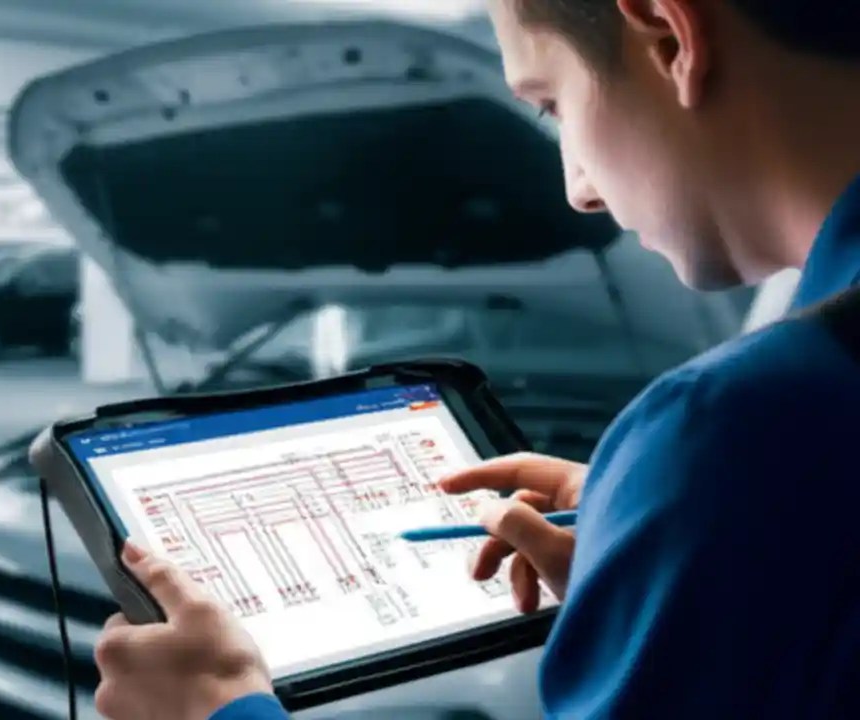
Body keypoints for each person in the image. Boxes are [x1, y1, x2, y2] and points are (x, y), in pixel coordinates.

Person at [89, 0, 860, 717]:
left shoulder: (740, 426)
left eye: (552, 105)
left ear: (669, 38)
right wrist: (670, 536)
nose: (579, 191)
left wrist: (224, 705)